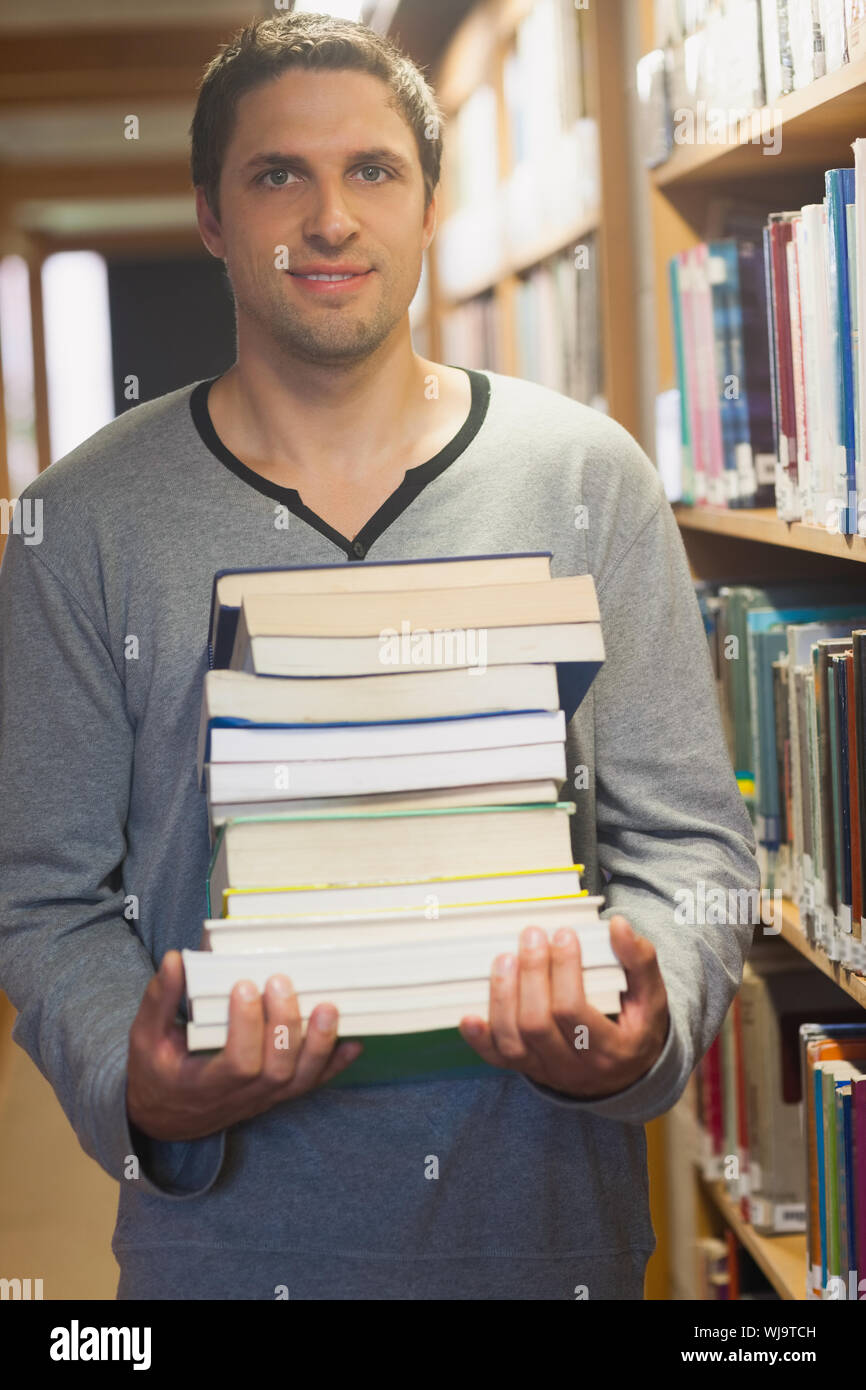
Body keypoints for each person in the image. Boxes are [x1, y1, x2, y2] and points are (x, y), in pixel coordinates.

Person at [0, 13, 760, 1300]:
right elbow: (42, 897)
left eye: (371, 171)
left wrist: (642, 1024)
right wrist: (139, 1081)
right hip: (226, 1260)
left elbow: (691, 847)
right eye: (276, 174)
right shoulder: (81, 525)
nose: (329, 217)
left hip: (548, 1240)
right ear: (209, 215)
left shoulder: (587, 478)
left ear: (428, 208)